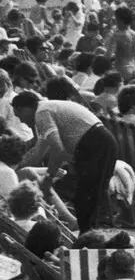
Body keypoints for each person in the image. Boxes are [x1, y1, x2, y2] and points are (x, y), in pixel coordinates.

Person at [13, 91, 116, 232]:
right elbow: (37, 154)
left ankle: (91, 237)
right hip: (96, 143)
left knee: (88, 196)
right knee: (90, 195)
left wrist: (49, 177)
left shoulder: (41, 113)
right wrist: (14, 168)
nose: (21, 121)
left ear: (24, 108)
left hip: (96, 143)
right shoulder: (46, 110)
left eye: (19, 116)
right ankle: (94, 234)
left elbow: (58, 150)